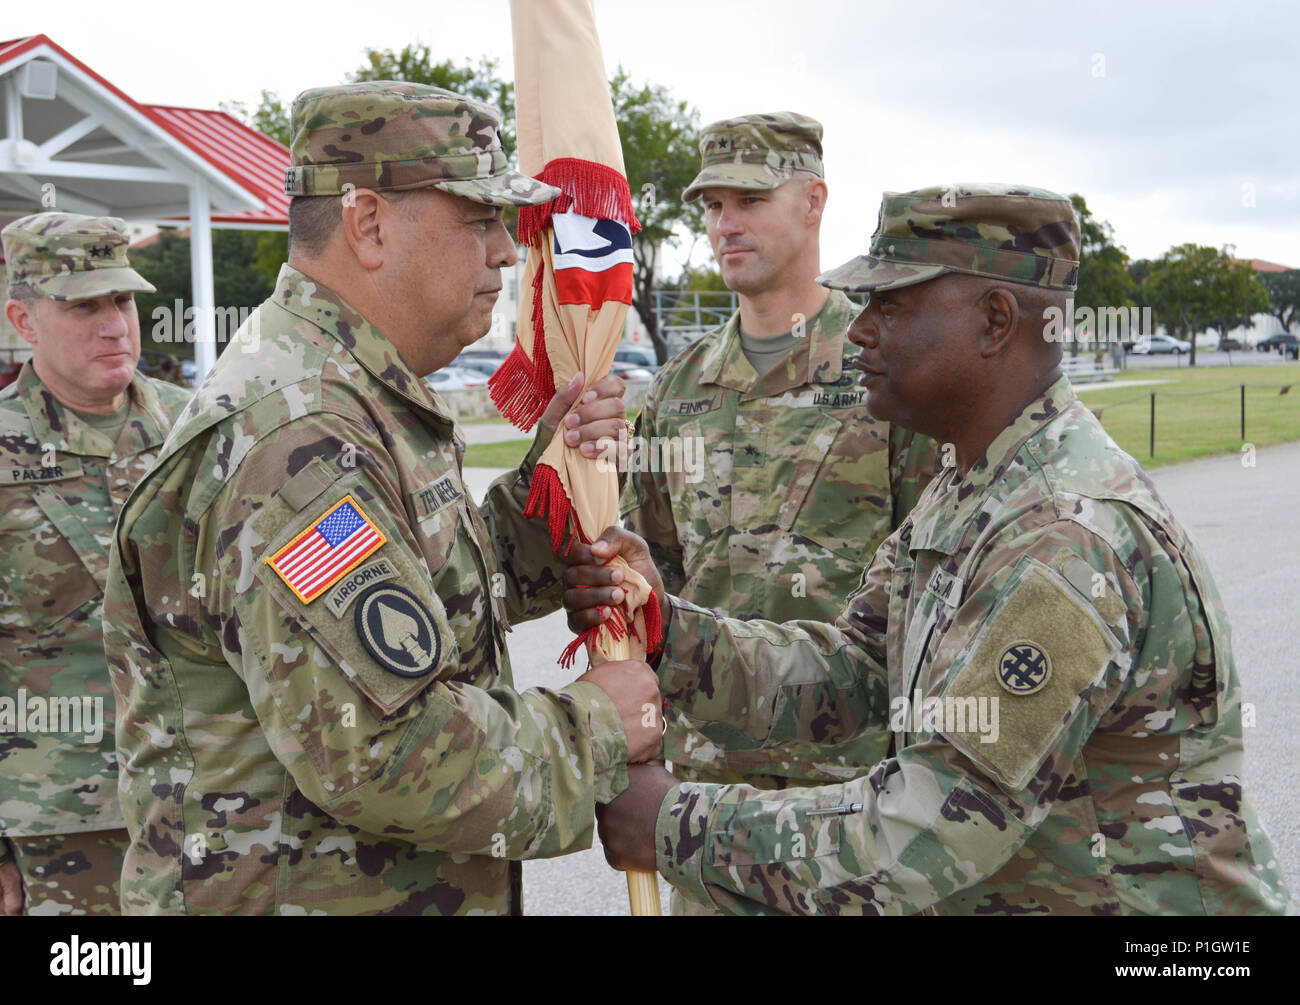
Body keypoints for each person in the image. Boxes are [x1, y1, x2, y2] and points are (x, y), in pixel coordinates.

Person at [565, 183, 1289, 915]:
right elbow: (853, 674)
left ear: (995, 322)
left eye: (892, 305)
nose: (858, 331)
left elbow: (931, 828)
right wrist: (671, 631)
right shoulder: (975, 482)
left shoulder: (1064, 536)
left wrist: (674, 825)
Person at [102, 81, 662, 916]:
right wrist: (597, 724)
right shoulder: (296, 437)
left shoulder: (348, 390)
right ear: (367, 224)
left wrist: (550, 511)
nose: (508, 253)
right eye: (479, 219)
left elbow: (416, 600)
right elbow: (388, 753)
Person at [621, 114, 937, 828]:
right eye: (711, 205)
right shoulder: (679, 389)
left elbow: (936, 588)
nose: (725, 223)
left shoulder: (887, 375)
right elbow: (653, 581)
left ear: (814, 202)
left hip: (851, 803)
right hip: (705, 796)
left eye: (750, 201)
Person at [0, 212, 192, 916]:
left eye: (123, 300)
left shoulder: (198, 427)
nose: (114, 324)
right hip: (64, 825)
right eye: (84, 306)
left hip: (216, 804)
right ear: (25, 319)